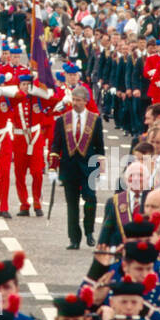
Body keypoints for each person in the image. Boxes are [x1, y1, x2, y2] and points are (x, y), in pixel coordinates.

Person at [48, 85, 105, 250]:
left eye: (78, 100)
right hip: (68, 168)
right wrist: (52, 168)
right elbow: (56, 145)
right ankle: (74, 238)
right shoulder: (62, 120)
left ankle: (89, 232)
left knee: (90, 200)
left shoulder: (95, 120)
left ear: (86, 101)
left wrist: (101, 171)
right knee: (71, 205)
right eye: (73, 100)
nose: (75, 103)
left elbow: (99, 147)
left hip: (89, 169)